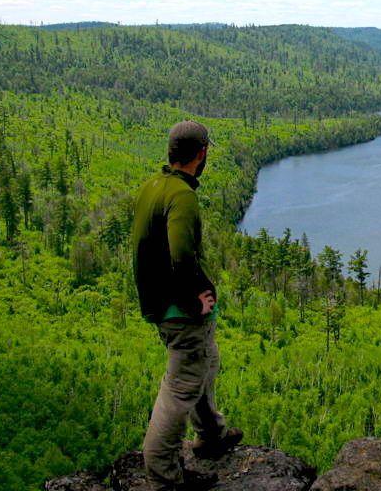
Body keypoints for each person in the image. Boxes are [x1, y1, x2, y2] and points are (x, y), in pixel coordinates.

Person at [132, 120, 243, 490]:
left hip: (160, 303)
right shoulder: (182, 196)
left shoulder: (153, 187)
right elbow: (181, 254)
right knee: (182, 384)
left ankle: (211, 436)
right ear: (202, 154)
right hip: (179, 310)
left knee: (205, 362)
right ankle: (163, 473)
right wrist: (196, 298)